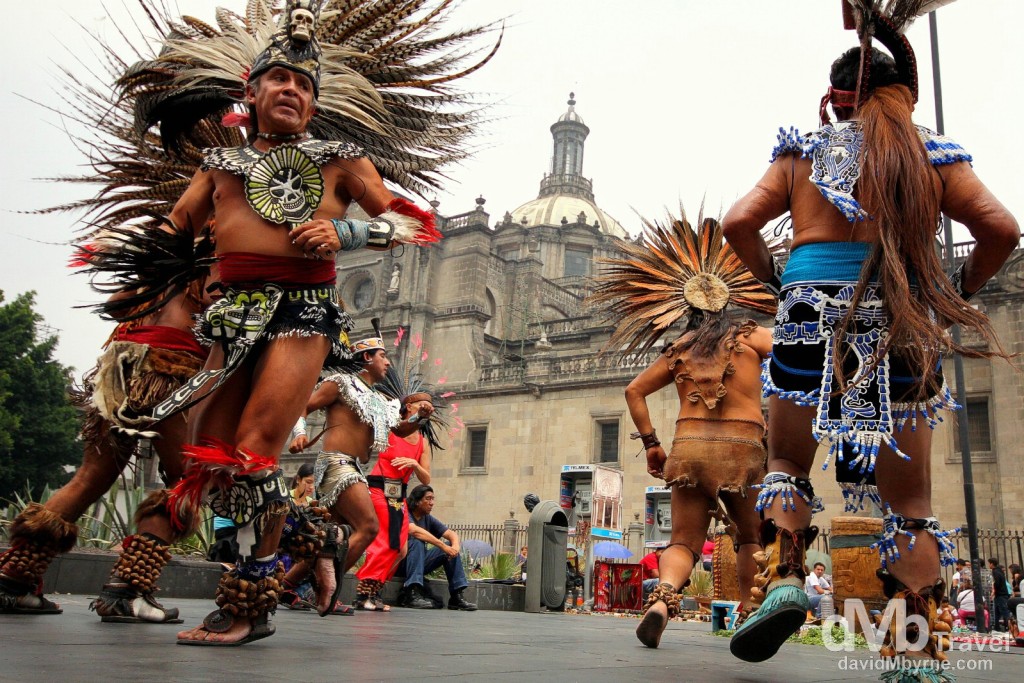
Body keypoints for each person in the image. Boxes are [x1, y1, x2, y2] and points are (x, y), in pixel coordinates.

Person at [723, 4, 1018, 671]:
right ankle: (914, 652)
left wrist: (782, 282)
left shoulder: (805, 152)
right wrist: (954, 292)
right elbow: (1001, 228)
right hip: (902, 316)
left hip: (805, 312)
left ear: (835, 99)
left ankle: (788, 580)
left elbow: (738, 222)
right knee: (910, 501)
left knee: (788, 464)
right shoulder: (932, 152)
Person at [593, 210, 777, 649]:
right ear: (729, 300)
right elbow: (798, 359)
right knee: (750, 536)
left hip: (688, 446)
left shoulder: (679, 349)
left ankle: (663, 600)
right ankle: (751, 613)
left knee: (684, 541)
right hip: (744, 445)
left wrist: (653, 445)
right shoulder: (751, 338)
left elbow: (634, 390)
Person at [0, 287, 208, 623]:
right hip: (170, 365)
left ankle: (13, 580)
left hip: (119, 364)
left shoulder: (160, 248)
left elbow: (115, 305)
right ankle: (126, 591)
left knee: (89, 478)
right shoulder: (217, 246)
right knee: (189, 480)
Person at [286, 327, 432, 615]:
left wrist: (419, 416)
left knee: (328, 538)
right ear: (366, 357)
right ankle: (328, 590)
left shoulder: (379, 400)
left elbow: (400, 429)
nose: (388, 362)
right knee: (368, 527)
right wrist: (299, 434)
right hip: (336, 463)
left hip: (353, 467)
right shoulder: (340, 383)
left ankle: (286, 587)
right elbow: (303, 406)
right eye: (382, 355)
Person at [352, 387, 437, 611]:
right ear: (409, 407)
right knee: (385, 543)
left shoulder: (422, 442)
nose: (425, 410)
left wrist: (415, 464)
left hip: (399, 493)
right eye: (420, 406)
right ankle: (364, 594)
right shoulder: (392, 430)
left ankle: (375, 590)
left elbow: (426, 478)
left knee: (400, 549)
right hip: (380, 487)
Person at [398, 485, 477, 611]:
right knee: (417, 541)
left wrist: (455, 547)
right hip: (399, 563)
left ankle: (456, 596)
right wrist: (442, 545)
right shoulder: (404, 512)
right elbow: (413, 530)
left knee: (450, 547)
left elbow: (451, 534)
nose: (432, 503)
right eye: (428, 499)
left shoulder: (427, 518)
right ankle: (411, 593)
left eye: (433, 499)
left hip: (419, 563)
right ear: (417, 501)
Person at [990, 558, 1011, 633]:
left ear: (992, 564)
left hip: (1000, 594)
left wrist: (994, 589)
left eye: (989, 563)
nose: (989, 565)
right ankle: (997, 627)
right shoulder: (999, 571)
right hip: (1001, 594)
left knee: (1004, 611)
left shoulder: (995, 571)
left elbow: (997, 582)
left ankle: (1009, 627)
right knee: (997, 612)